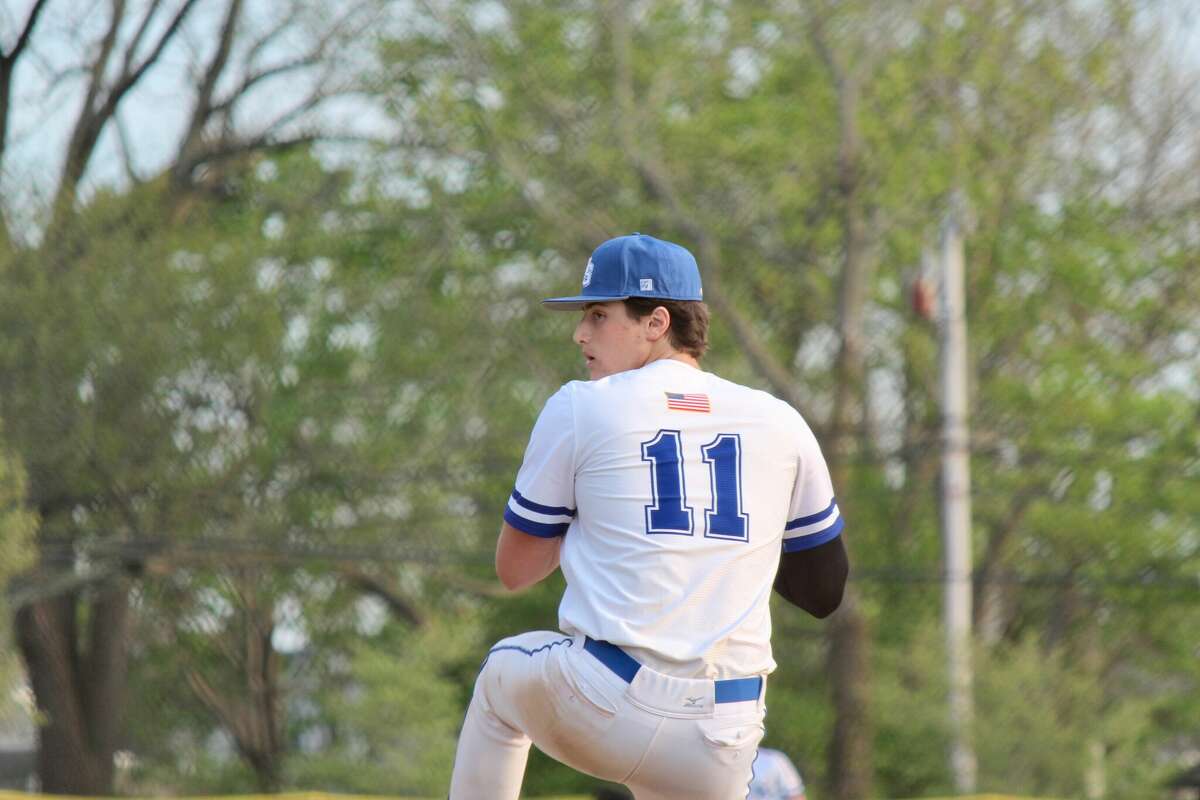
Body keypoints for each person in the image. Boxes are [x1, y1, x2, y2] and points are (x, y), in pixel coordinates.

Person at [448, 233, 849, 800]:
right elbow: (824, 591)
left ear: (657, 322)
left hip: (602, 699)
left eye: (598, 314)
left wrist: (595, 513)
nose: (580, 333)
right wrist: (736, 543)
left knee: (498, 678)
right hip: (724, 737)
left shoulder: (581, 405)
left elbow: (516, 570)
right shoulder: (779, 419)